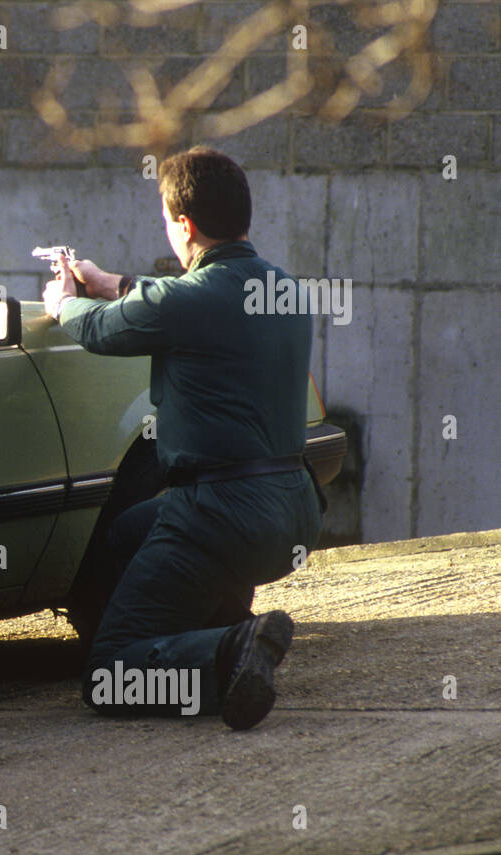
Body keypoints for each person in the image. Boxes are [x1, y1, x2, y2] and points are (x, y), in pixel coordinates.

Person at [41, 146, 323, 730]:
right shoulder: (286, 291)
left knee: (109, 675)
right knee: (123, 533)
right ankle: (208, 630)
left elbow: (99, 329)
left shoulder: (185, 301)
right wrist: (112, 281)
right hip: (290, 511)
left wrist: (65, 301)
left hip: (218, 517)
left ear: (184, 225)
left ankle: (227, 650)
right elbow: (184, 303)